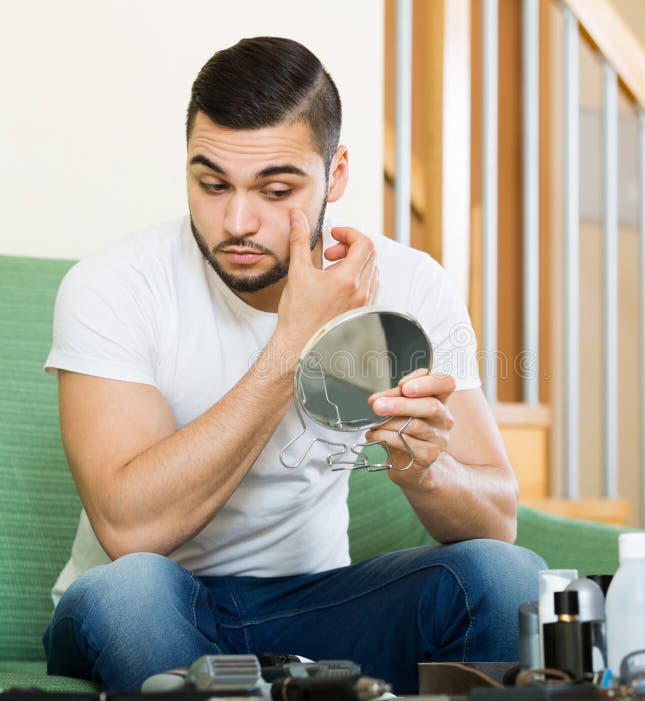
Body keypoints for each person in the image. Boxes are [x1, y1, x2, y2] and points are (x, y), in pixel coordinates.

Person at [43, 36, 545, 693]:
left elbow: (495, 522)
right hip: (150, 601)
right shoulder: (114, 285)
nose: (237, 221)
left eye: (276, 188)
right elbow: (131, 528)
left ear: (336, 174)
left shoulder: (408, 285)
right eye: (211, 183)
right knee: (130, 591)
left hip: (317, 606)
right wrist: (293, 340)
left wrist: (426, 467)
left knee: (509, 577)